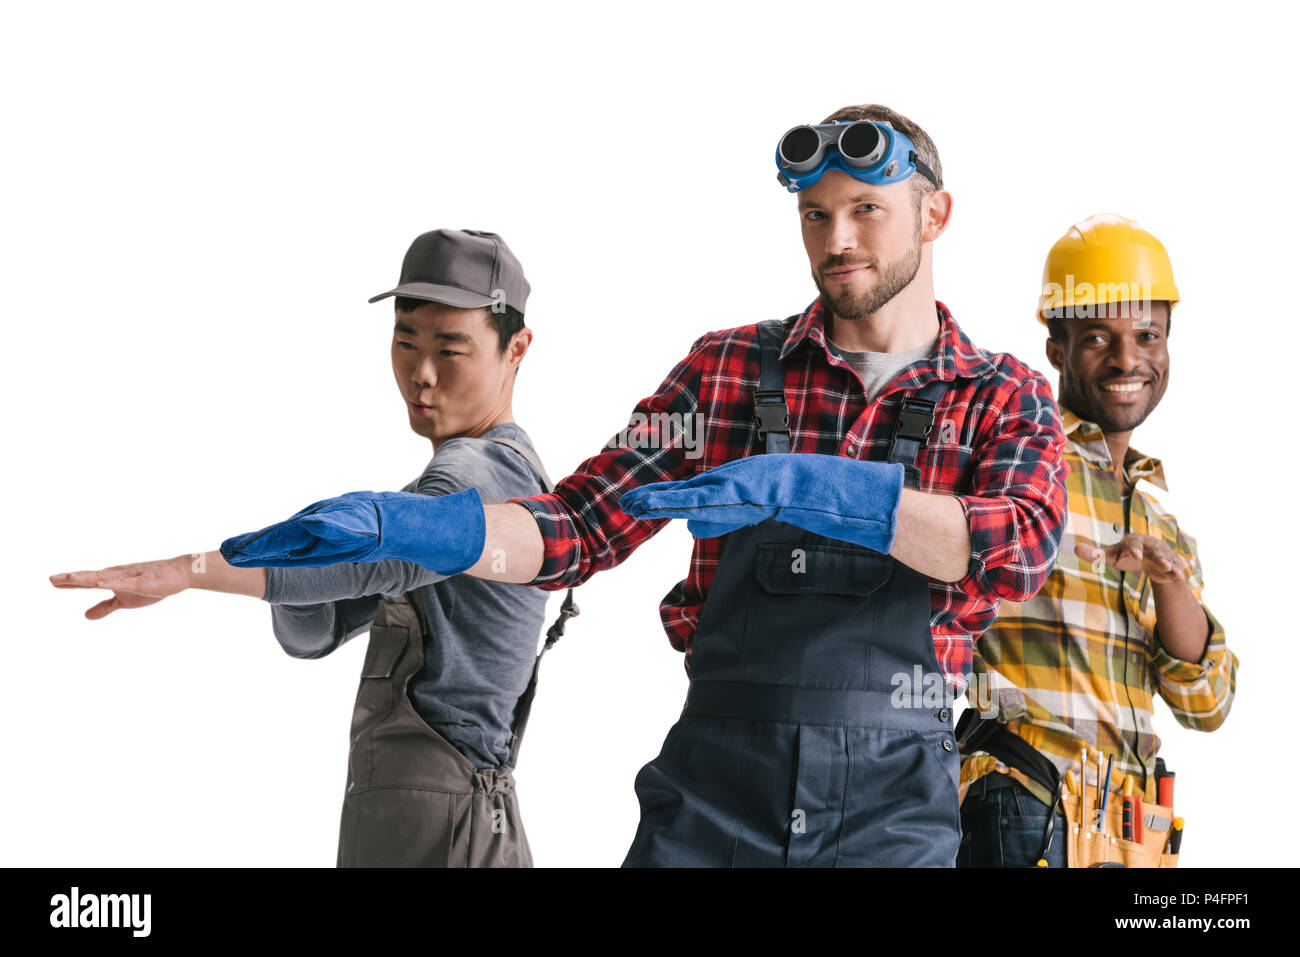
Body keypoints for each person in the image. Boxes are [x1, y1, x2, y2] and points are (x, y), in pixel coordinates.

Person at [213, 103, 1070, 867]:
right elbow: (580, 525)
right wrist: (423, 531)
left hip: (893, 805)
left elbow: (1018, 547)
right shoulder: (728, 371)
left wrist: (812, 487)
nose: (836, 240)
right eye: (815, 215)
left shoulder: (1001, 395)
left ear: (936, 214)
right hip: (714, 794)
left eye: (865, 211)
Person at [50, 228, 577, 868]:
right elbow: (314, 631)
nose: (422, 374)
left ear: (516, 348)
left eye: (451, 349)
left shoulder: (473, 477)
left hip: (439, 815)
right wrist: (299, 556)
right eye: (405, 342)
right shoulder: (456, 482)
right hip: (443, 811)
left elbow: (377, 560)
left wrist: (192, 571)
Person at [955, 214, 1238, 868]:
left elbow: (1208, 703)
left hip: (1134, 830)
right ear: (1056, 346)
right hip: (1028, 800)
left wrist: (1170, 579)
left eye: (1148, 335)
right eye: (1098, 337)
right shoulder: (1019, 457)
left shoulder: (1162, 525)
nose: (1127, 359)